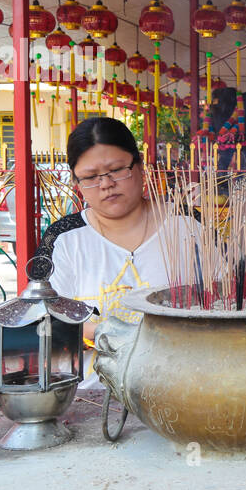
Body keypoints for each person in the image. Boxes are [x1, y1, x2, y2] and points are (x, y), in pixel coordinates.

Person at [41, 116, 200, 387]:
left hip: (182, 390)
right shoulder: (64, 238)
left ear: (139, 165)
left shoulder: (187, 224)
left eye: (116, 170)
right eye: (90, 177)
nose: (106, 184)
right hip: (91, 397)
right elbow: (46, 323)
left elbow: (229, 301)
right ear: (76, 182)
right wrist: (106, 333)